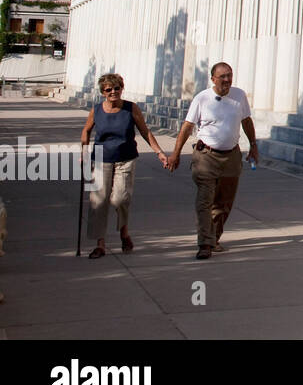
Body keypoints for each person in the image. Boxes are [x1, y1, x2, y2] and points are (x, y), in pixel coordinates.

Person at [166, 62, 258, 259]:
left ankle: (213, 238)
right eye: (222, 76)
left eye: (229, 75)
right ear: (213, 79)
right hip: (206, 156)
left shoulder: (239, 95)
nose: (226, 80)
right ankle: (204, 243)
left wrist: (253, 145)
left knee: (224, 203)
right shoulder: (202, 98)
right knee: (205, 201)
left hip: (231, 156)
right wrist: (175, 154)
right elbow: (187, 126)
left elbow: (246, 121)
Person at [79, 73, 169, 259]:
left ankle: (123, 232)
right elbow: (86, 131)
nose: (113, 92)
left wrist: (159, 152)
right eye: (109, 89)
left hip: (125, 158)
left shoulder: (130, 108)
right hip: (101, 158)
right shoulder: (97, 110)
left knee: (120, 199)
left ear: (122, 88)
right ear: (103, 92)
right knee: (98, 201)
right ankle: (100, 244)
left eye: (117, 88)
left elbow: (145, 131)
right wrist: (84, 153)